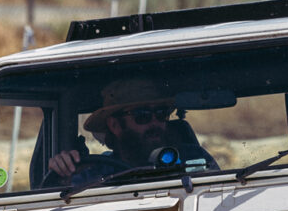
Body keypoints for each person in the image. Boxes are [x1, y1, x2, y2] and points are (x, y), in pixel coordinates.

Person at [44, 77, 211, 184]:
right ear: (115, 125)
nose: (154, 123)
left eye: (161, 114)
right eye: (142, 115)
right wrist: (63, 175)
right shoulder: (95, 174)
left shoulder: (193, 157)